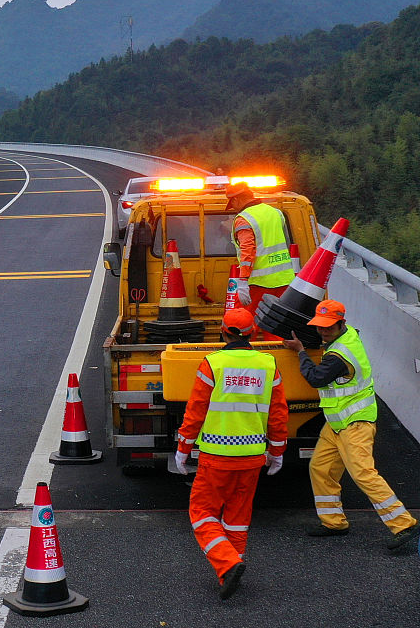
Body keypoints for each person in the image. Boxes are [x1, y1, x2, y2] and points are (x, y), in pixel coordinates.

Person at [283, 300, 419, 553]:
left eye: (328, 328)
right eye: (320, 327)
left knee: (363, 473)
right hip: (337, 423)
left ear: (341, 323)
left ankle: (405, 526)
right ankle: (334, 523)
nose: (323, 332)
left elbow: (316, 378)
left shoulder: (339, 354)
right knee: (321, 468)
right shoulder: (346, 336)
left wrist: (301, 351)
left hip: (355, 423)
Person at [172, 307, 288, 599]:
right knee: (237, 517)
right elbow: (277, 414)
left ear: (223, 332)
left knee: (201, 512)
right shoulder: (268, 364)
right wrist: (277, 451)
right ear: (253, 334)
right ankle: (228, 573)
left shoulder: (213, 364)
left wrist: (183, 448)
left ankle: (229, 563)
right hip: (252, 457)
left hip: (216, 456)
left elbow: (195, 410)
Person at [226, 182, 295, 338]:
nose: (234, 208)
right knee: (275, 326)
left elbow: (247, 252)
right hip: (284, 280)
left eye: (232, 204)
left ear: (236, 200)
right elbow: (285, 243)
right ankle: (277, 358)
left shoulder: (244, 219)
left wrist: (243, 281)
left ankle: (243, 359)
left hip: (258, 283)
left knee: (240, 326)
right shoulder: (276, 213)